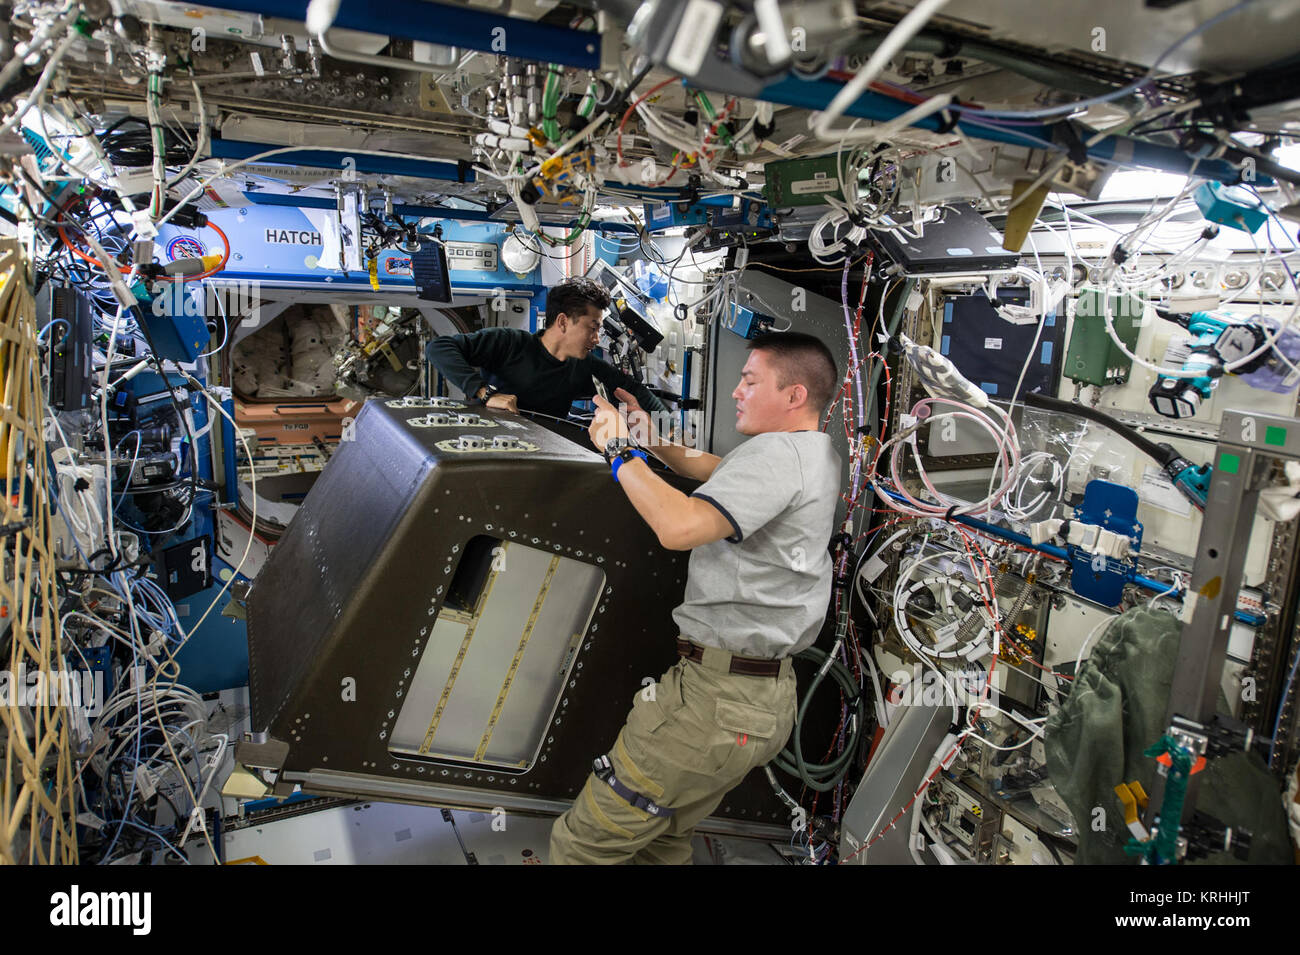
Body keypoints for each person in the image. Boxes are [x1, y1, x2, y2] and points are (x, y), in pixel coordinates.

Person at [549, 330, 843, 864]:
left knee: (584, 845)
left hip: (712, 705)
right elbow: (710, 469)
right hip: (758, 701)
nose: (736, 391)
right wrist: (647, 435)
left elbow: (679, 526)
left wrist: (617, 451)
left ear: (795, 395)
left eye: (750, 381)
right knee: (661, 842)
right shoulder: (813, 453)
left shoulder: (778, 456)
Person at [425, 276, 668, 419]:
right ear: (563, 321)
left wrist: (670, 432)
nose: (596, 339)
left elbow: (635, 391)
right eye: (592, 328)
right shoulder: (509, 343)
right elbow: (439, 347)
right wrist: (484, 393)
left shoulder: (584, 366)